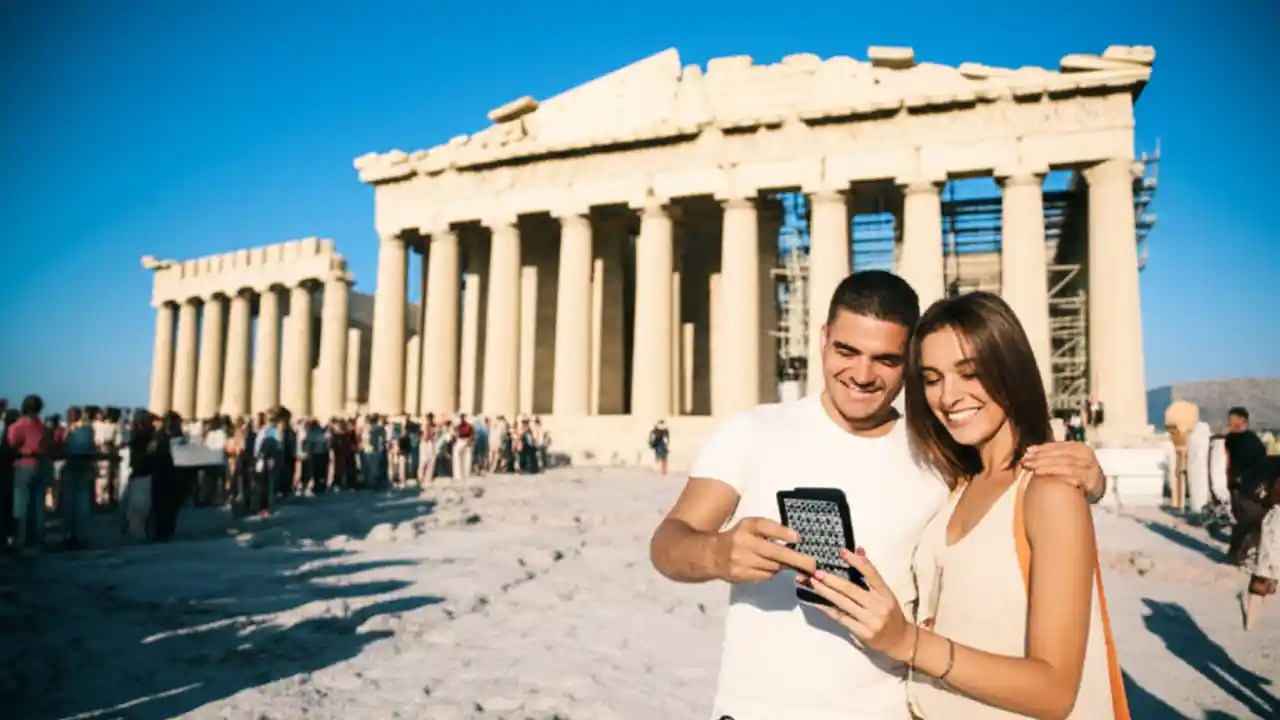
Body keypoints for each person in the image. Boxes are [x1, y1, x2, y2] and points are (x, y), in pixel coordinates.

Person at [649, 272, 1105, 720]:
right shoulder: (752, 432)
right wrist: (716, 553)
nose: (862, 374)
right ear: (824, 338)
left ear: (907, 360)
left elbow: (1011, 493)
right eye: (847, 350)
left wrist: (1090, 477)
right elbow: (669, 541)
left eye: (885, 359)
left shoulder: (939, 454)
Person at [802, 291, 1123, 719]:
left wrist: (906, 641)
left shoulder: (1047, 491)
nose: (948, 396)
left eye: (969, 373)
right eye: (932, 379)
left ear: (1009, 368)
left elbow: (1055, 691)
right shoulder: (956, 486)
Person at [1226, 407, 1271, 565]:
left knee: (1254, 518)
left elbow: (1262, 463)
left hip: (1252, 484)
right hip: (1242, 486)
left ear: (1242, 421)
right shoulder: (1231, 440)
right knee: (1248, 518)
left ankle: (1239, 553)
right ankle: (1237, 553)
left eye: (1233, 419)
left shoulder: (1249, 440)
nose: (1229, 422)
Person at [1243, 457, 1280, 630]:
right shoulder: (1272, 466)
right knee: (1265, 573)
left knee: (1266, 572)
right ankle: (1251, 611)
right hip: (1276, 522)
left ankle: (1251, 607)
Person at [8, 395, 48, 550]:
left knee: (21, 505)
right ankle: (38, 538)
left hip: (23, 464)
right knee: (38, 505)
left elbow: (12, 443)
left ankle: (21, 539)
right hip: (41, 465)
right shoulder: (42, 426)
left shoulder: (18, 426)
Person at [62, 407, 98, 549]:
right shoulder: (89, 430)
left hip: (72, 465)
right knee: (83, 501)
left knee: (69, 501)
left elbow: (64, 447)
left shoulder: (70, 431)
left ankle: (69, 533)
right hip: (85, 466)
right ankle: (82, 534)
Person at [453, 413, 475, 481]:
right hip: (465, 441)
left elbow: (455, 433)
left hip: (462, 441)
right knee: (466, 459)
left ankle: (459, 475)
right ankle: (464, 474)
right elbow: (472, 434)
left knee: (459, 458)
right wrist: (469, 441)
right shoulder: (468, 425)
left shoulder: (461, 425)